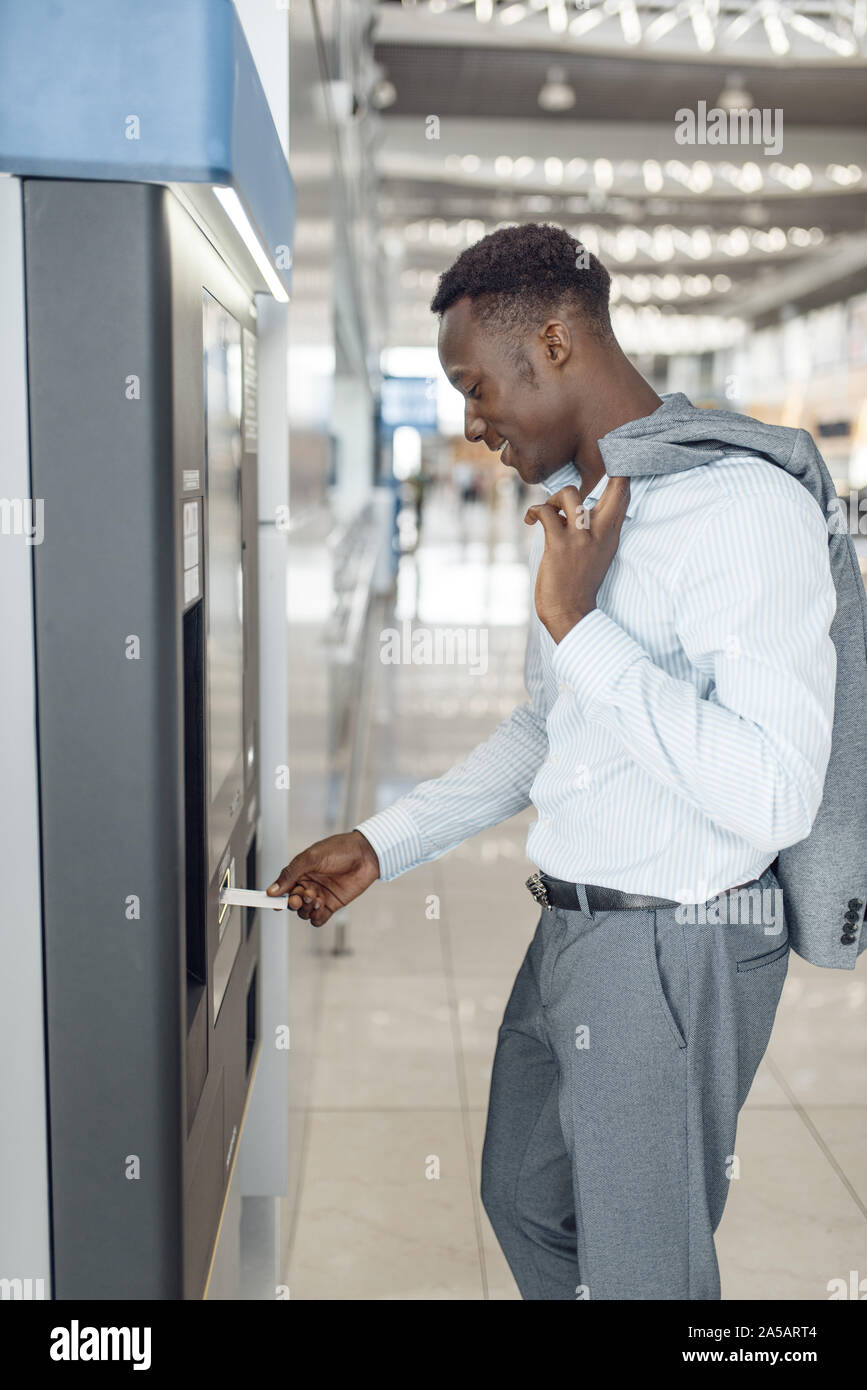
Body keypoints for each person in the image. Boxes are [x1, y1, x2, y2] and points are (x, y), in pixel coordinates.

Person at [267, 222, 837, 1300]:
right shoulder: (585, 508)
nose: (472, 423)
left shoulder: (743, 510)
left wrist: (582, 628)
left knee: (644, 1271)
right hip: (573, 927)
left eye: (478, 388)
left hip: (675, 943)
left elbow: (774, 791)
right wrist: (381, 845)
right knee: (524, 1195)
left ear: (559, 344)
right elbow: (549, 728)